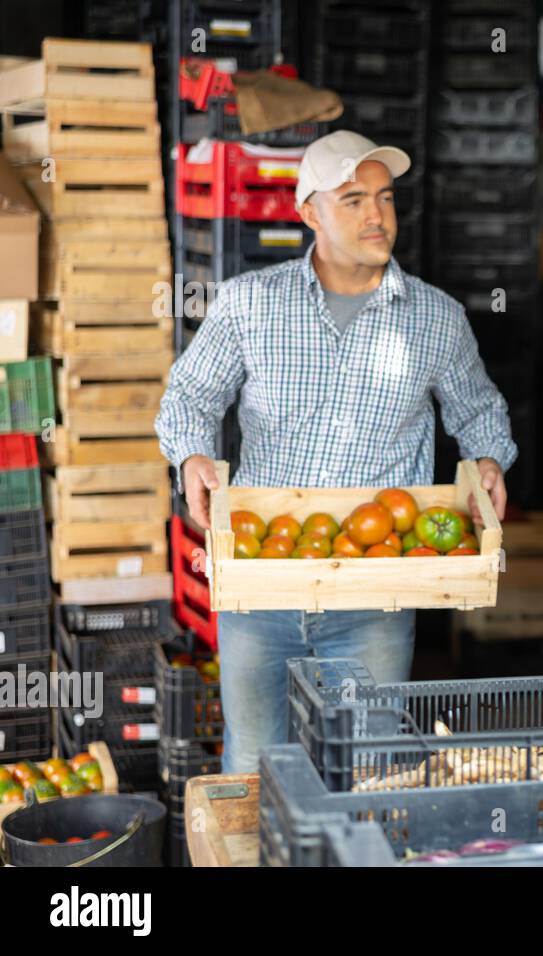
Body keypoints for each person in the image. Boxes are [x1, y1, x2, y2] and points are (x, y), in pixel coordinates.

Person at [155, 130, 517, 773]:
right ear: (309, 213)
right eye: (352, 200)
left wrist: (489, 460)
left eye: (383, 198)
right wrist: (192, 458)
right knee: (253, 764)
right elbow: (189, 396)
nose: (376, 215)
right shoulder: (250, 304)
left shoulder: (435, 318)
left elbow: (480, 410)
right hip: (259, 580)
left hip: (375, 591)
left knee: (371, 768)